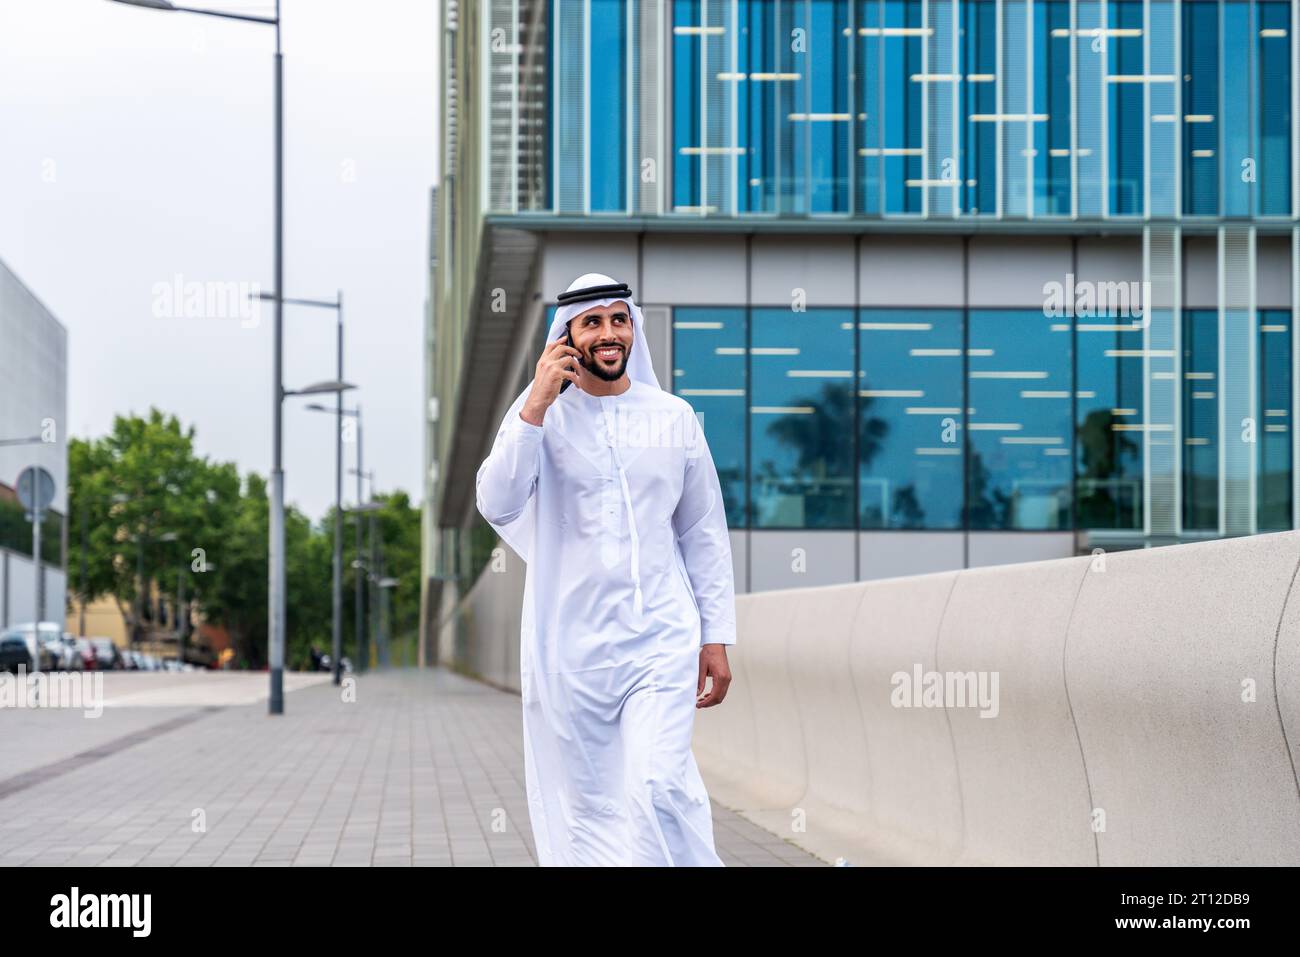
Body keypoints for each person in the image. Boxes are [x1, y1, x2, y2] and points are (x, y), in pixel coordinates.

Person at [475, 273, 737, 866]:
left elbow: (703, 532)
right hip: (571, 648)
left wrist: (716, 635)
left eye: (619, 319)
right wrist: (536, 405)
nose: (608, 333)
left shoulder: (673, 417)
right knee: (589, 808)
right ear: (566, 336)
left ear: (633, 329)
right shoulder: (540, 416)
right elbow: (497, 501)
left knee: (659, 785)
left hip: (661, 640)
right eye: (591, 322)